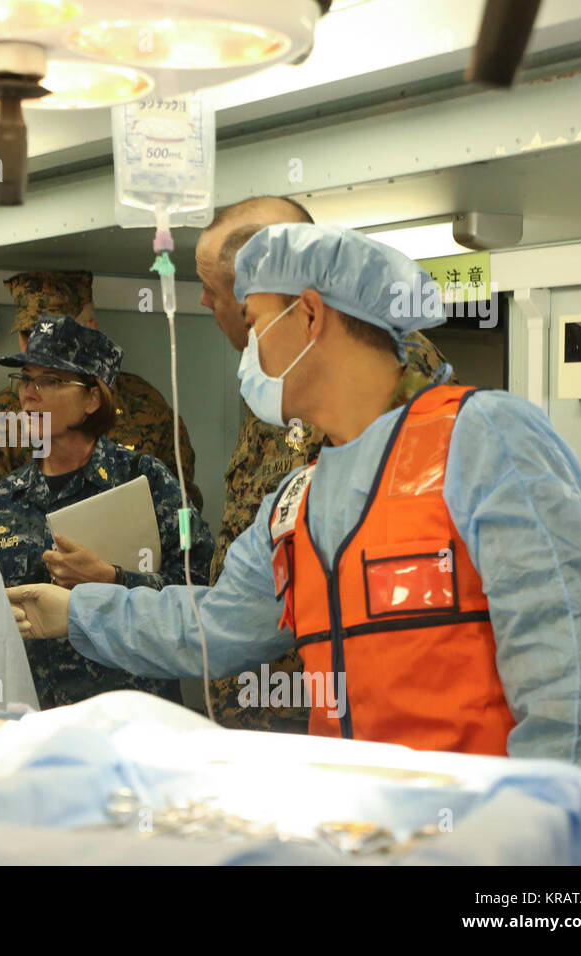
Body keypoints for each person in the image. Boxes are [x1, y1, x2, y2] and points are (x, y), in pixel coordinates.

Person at [7, 223, 581, 863]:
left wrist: (527, 845)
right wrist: (80, 611)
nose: (247, 349)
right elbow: (216, 626)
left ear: (308, 315)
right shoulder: (298, 502)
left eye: (254, 321)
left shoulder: (481, 439)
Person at [194, 196, 456, 733]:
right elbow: (248, 582)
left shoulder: (405, 390)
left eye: (239, 303)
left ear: (306, 310)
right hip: (284, 693)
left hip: (337, 692)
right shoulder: (276, 385)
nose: (204, 302)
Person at [0, 314, 215, 709]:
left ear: (93, 398)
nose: (29, 395)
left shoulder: (145, 481)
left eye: (51, 381)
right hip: (34, 722)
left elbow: (200, 589)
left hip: (132, 716)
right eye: (25, 380)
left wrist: (115, 578)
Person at [0, 270, 203, 510]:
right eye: (31, 333)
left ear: (91, 329)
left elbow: (182, 509)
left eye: (61, 335)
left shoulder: (146, 406)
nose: (42, 348)